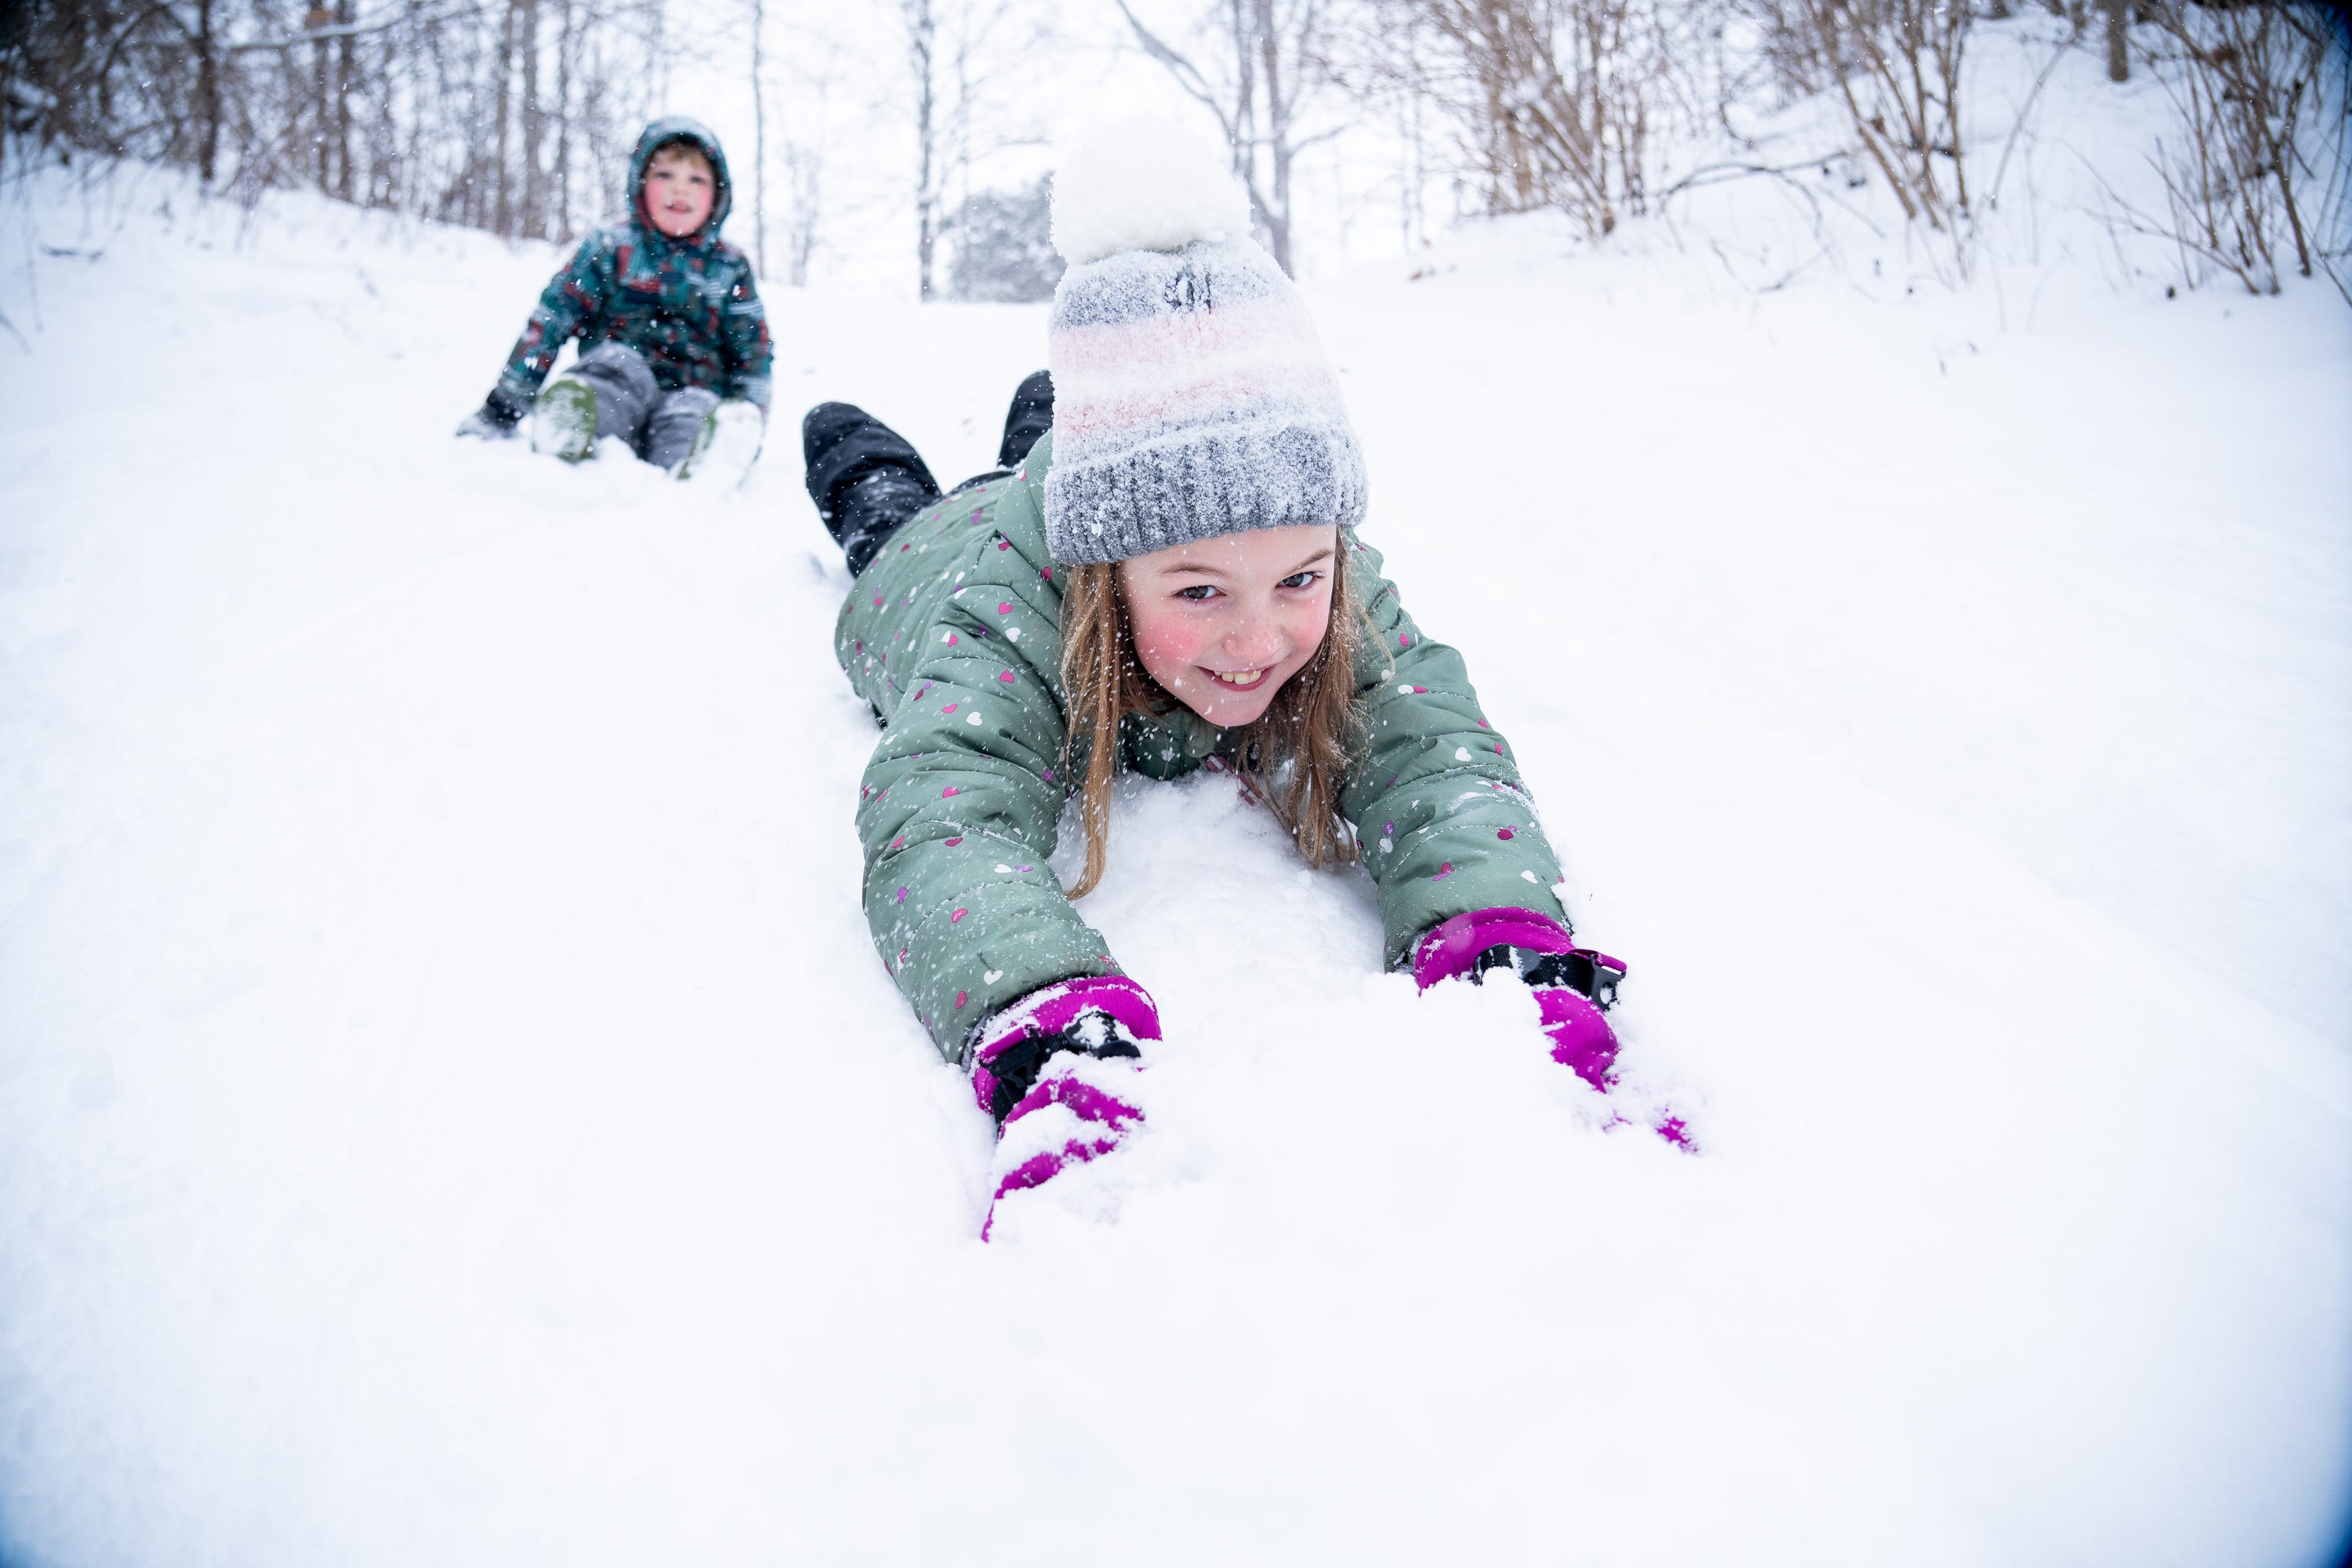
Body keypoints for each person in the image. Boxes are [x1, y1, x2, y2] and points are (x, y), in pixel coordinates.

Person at [804, 138, 1669, 1236]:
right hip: (929, 554)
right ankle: (886, 475)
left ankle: (1051, 424)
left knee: (1065, 437)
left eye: (1299, 579)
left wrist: (1501, 946)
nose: (1259, 639)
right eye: (1200, 591)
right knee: (886, 505)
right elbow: (941, 814)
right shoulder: (1013, 610)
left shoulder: (1319, 565)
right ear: (1105, 574)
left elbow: (1430, 744)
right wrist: (1047, 1025)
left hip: (1088, 485)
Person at [455, 117, 771, 484]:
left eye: (696, 180)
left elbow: (752, 351)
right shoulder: (609, 247)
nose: (680, 189)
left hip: (691, 390)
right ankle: (573, 433)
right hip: (619, 382)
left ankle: (698, 465)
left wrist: (748, 419)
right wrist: (505, 405)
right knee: (608, 375)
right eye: (664, 175)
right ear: (640, 183)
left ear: (718, 193)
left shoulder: (729, 266)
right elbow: (552, 320)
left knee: (692, 419)